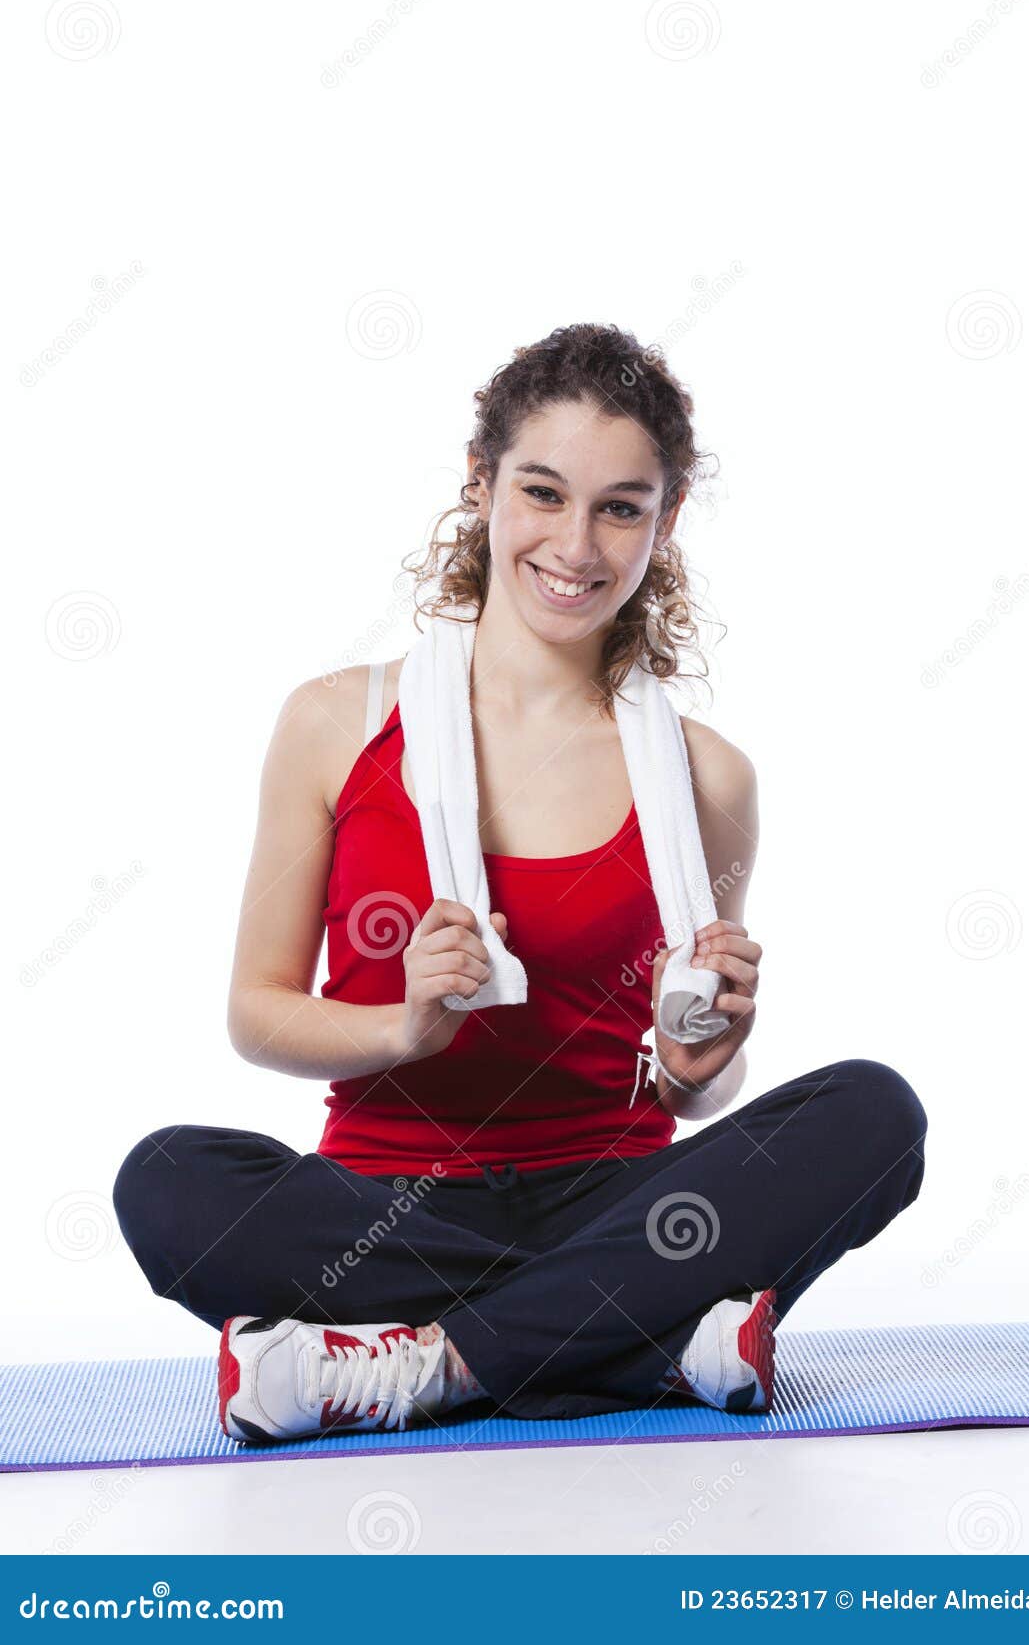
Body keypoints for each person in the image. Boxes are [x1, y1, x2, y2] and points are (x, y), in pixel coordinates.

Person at [113, 323, 927, 1444]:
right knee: (167, 1179)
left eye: (620, 508)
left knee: (876, 1116)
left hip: (622, 1200)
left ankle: (426, 1363)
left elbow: (692, 1090)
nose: (575, 546)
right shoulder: (333, 726)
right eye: (542, 493)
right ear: (480, 483)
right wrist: (402, 1028)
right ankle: (642, 1342)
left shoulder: (707, 779)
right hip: (386, 1213)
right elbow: (257, 1013)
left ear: (665, 521)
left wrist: (696, 1066)